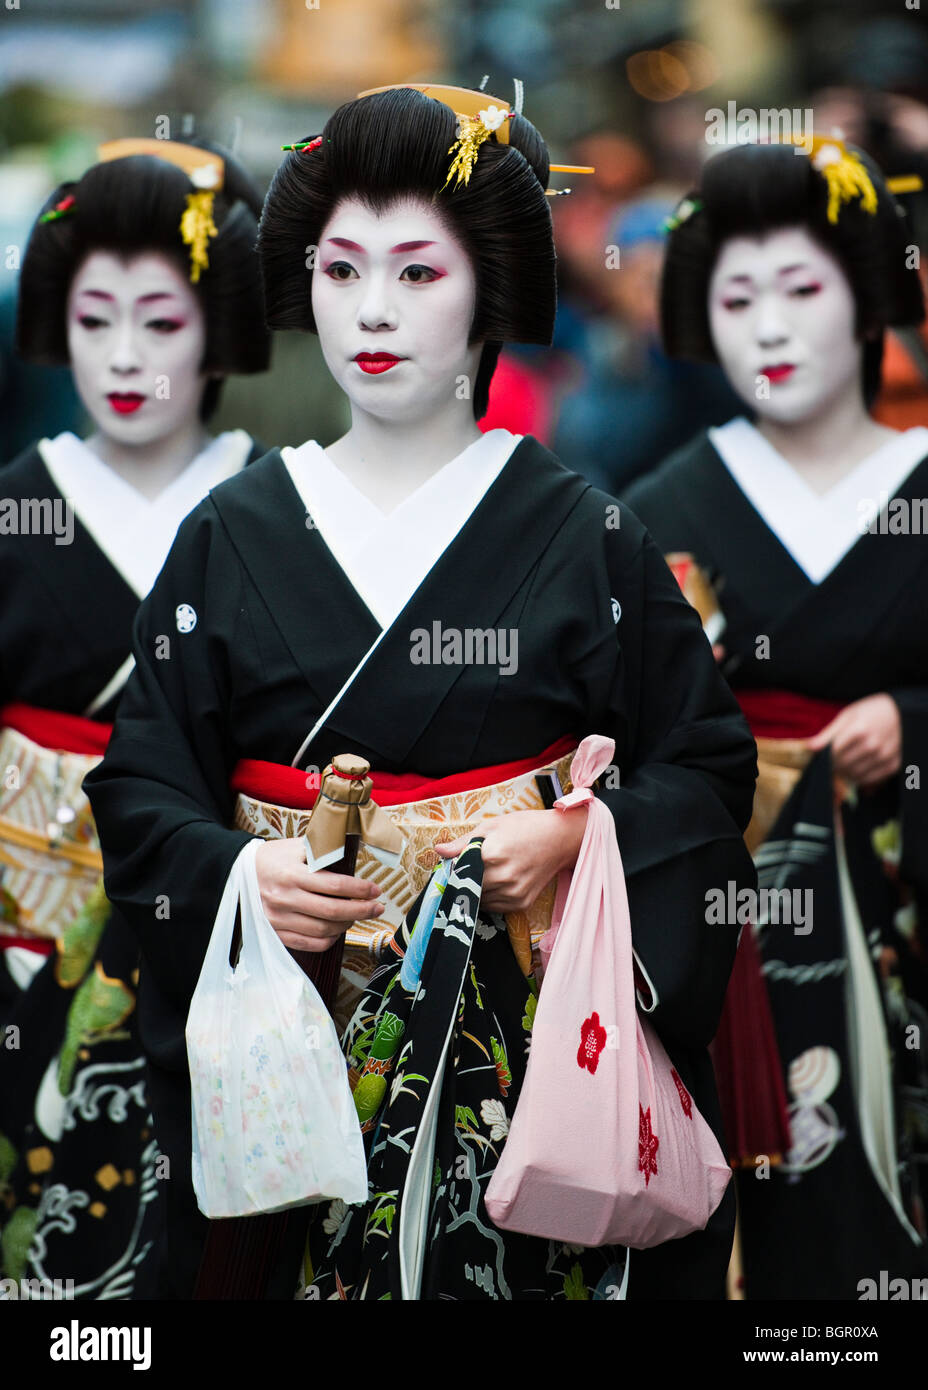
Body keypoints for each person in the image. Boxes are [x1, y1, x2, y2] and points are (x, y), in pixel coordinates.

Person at [85, 83, 757, 1301]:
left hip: (507, 1047)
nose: (371, 311)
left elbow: (706, 768)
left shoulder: (587, 530)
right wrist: (234, 874)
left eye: (415, 272)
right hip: (284, 1035)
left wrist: (576, 835)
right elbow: (141, 774)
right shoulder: (229, 533)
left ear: (491, 286)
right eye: (340, 272)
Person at [624, 138, 928, 1300]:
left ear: (865, 293)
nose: (770, 327)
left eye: (802, 289)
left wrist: (910, 714)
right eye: (736, 297)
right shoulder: (659, 506)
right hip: (724, 926)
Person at [0, 138, 270, 1300]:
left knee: (204, 1196)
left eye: (160, 321)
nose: (122, 355)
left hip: (220, 912)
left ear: (219, 325)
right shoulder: (17, 507)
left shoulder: (279, 514)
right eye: (95, 315)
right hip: (23, 915)